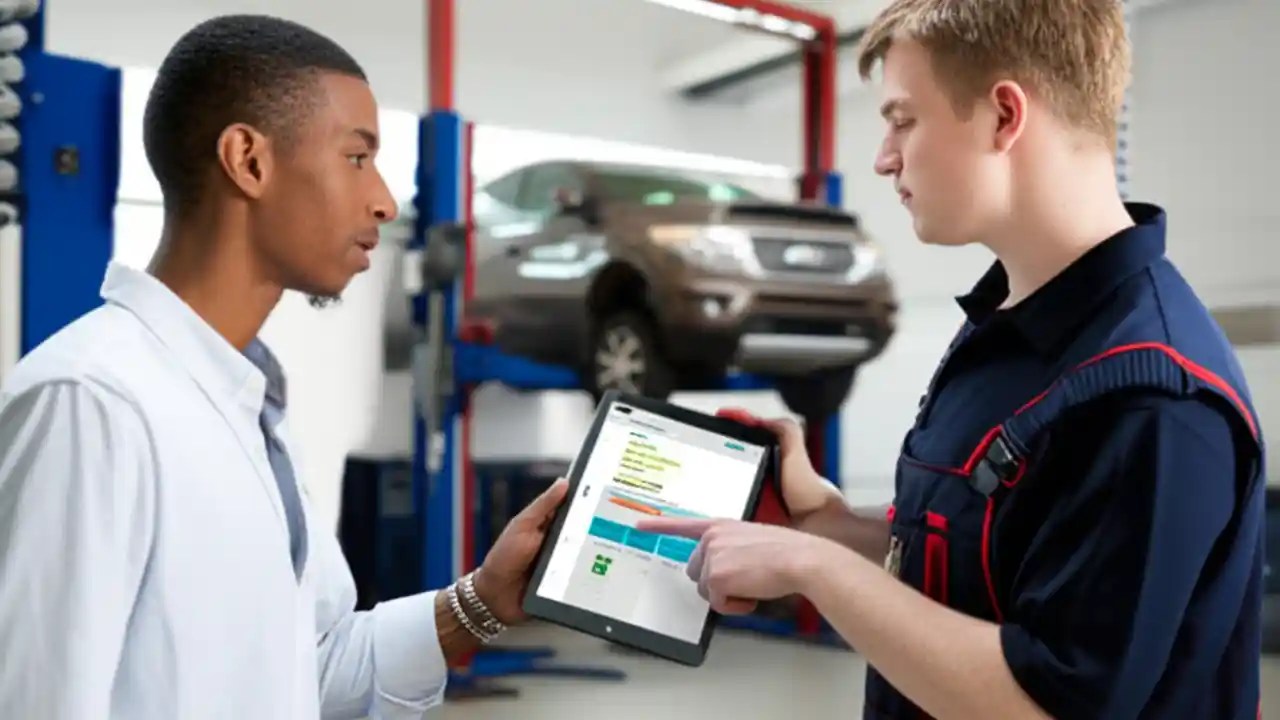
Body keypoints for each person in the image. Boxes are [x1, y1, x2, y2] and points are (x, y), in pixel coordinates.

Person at [641, 2, 1267, 719]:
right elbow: (989, 553)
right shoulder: (1011, 324)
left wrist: (812, 568)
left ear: (1005, 116)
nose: (883, 156)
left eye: (903, 118)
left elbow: (1050, 704)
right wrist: (829, 524)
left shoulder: (1152, 398)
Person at [0, 14, 567, 719]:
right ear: (250, 160)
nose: (385, 201)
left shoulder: (245, 400)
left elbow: (307, 667)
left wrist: (479, 601)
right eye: (357, 157)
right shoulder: (94, 400)